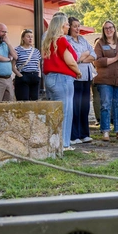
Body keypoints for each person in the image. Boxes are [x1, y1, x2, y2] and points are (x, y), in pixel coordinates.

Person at [41, 13, 80, 152]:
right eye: (67, 24)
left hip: (50, 78)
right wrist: (78, 72)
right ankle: (64, 144)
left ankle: (54, 143)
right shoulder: (62, 40)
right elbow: (70, 61)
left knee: (54, 113)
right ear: (61, 26)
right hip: (62, 79)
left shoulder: (47, 41)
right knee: (65, 112)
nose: (68, 26)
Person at [92, 20, 118, 141]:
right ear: (103, 31)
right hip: (104, 80)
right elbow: (97, 61)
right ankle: (105, 131)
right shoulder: (99, 43)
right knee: (105, 104)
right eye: (106, 28)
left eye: (111, 27)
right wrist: (115, 58)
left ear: (114, 29)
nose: (108, 30)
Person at [66, 17, 96, 144]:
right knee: (75, 106)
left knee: (85, 106)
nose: (77, 28)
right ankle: (74, 135)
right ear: (69, 27)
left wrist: (82, 59)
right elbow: (73, 58)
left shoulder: (83, 39)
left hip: (87, 76)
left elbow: (94, 54)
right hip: (75, 77)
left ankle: (84, 134)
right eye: (75, 26)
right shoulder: (67, 41)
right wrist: (82, 56)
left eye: (79, 26)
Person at [14, 29, 42, 101]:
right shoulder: (17, 50)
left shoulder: (36, 51)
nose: (30, 39)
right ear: (23, 38)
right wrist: (20, 76)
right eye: (28, 37)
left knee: (34, 100)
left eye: (32, 37)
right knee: (23, 100)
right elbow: (12, 66)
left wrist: (39, 76)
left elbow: (38, 65)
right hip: (23, 75)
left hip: (34, 76)